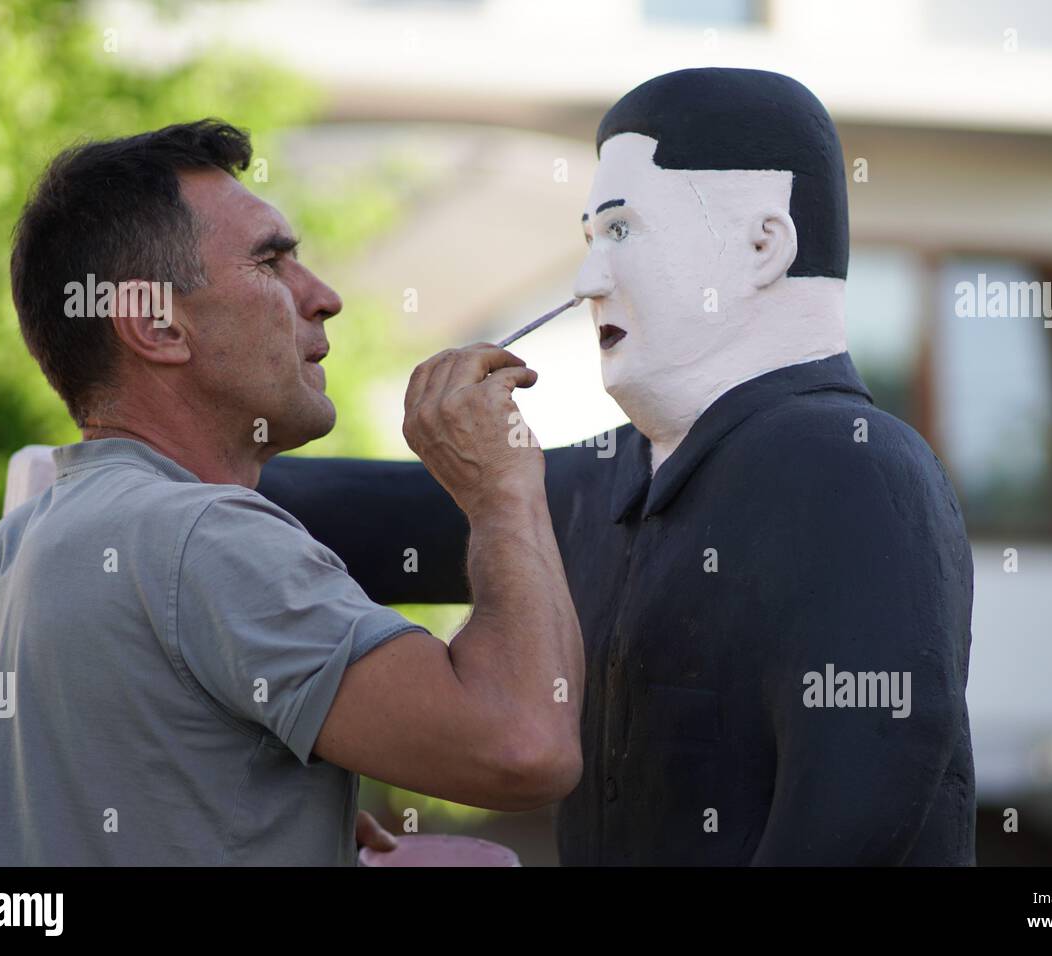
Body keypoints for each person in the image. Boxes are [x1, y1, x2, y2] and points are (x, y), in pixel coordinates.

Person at [258, 69, 977, 865]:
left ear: (764, 245)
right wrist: (141, 467)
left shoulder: (852, 469)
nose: (588, 281)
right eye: (589, 240)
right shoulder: (609, 478)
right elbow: (341, 516)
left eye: (623, 231)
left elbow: (856, 815)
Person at [0, 120, 583, 865]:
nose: (323, 297)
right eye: (272, 263)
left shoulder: (0, 561)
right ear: (157, 325)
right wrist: (502, 491)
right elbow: (524, 745)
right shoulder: (205, 533)